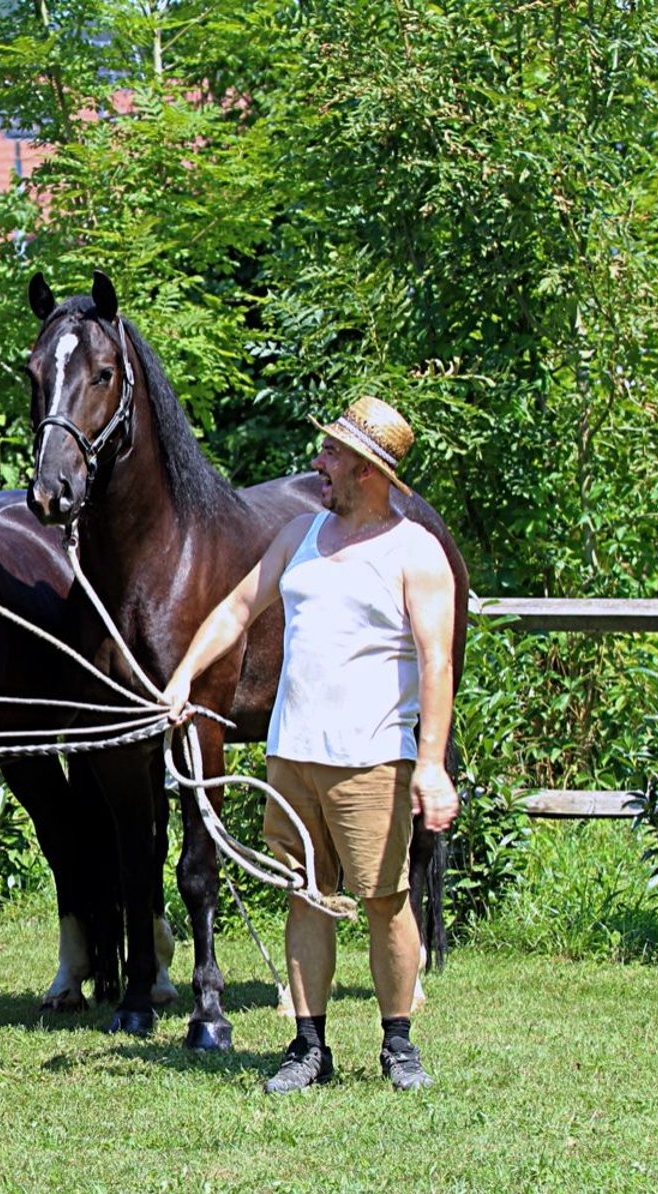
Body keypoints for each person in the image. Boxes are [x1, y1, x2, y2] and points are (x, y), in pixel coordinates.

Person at [162, 396, 459, 1093]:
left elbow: (437, 661)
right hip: (291, 753)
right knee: (305, 895)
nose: (318, 463)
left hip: (372, 757)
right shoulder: (299, 533)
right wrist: (180, 679)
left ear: (367, 470)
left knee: (385, 899)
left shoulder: (415, 551)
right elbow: (237, 608)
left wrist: (433, 763)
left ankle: (398, 1043)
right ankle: (307, 1044)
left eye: (331, 454)